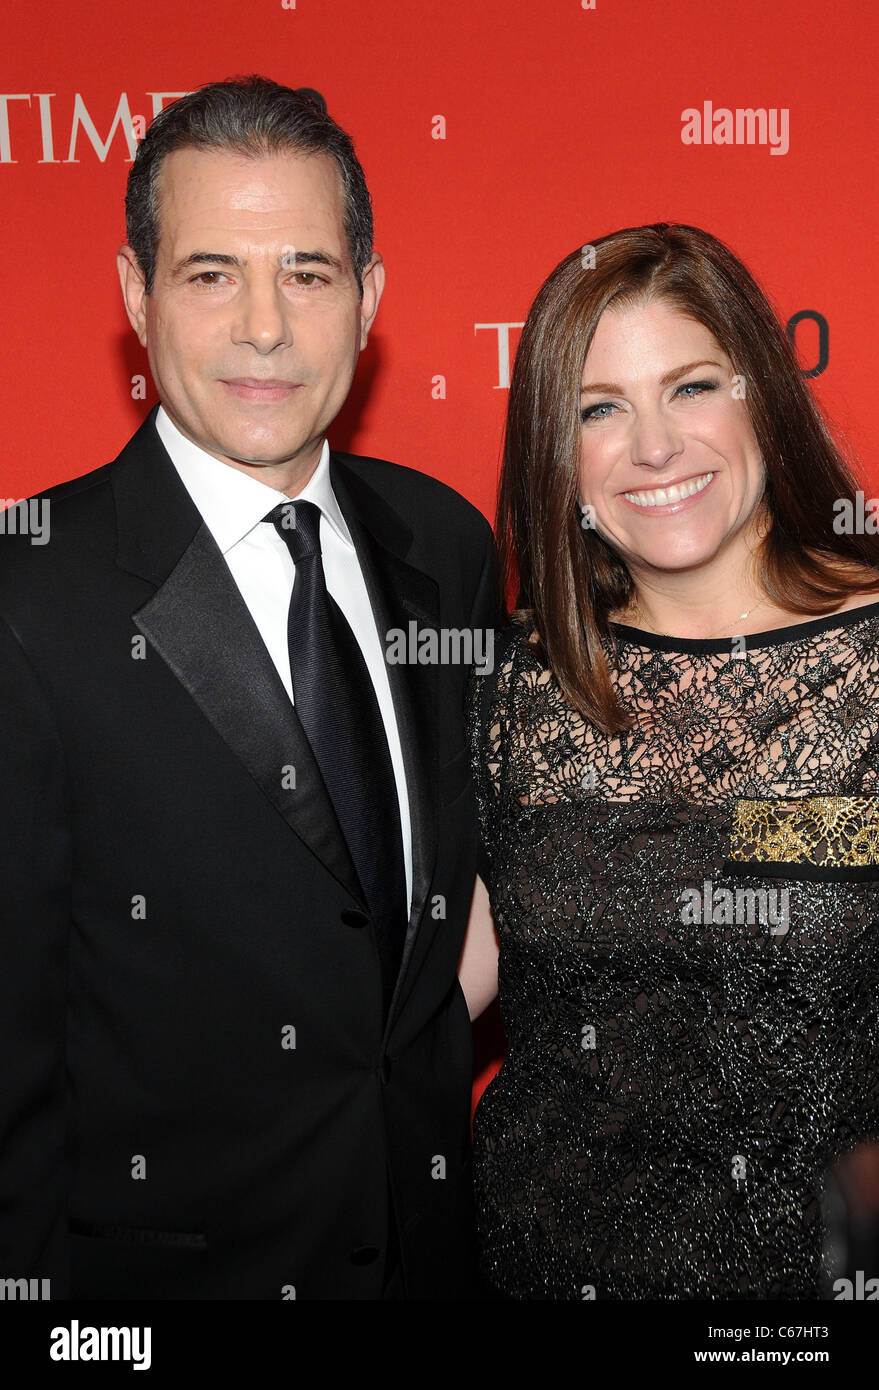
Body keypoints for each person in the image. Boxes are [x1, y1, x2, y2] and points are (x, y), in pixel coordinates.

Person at [0, 75, 496, 1300]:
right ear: (136, 293)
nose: (265, 326)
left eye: (310, 274)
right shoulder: (26, 595)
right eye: (213, 272)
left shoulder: (448, 547)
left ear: (369, 299)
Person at [459, 222, 879, 1299]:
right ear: (561, 451)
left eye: (692, 387)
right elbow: (438, 988)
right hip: (540, 1271)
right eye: (602, 408)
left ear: (761, 395)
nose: (654, 447)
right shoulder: (516, 684)